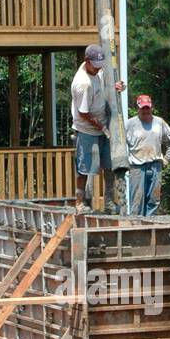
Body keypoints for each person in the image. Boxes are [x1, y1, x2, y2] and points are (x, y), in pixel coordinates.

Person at [71, 43, 125, 213]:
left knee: (108, 165)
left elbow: (104, 84)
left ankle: (110, 202)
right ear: (86, 61)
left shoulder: (98, 70)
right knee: (86, 168)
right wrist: (101, 126)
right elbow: (83, 113)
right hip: (88, 128)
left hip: (103, 125)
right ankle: (81, 202)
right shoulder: (83, 84)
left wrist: (116, 87)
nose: (97, 69)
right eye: (95, 66)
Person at [125, 94, 170, 216]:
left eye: (147, 108)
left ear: (151, 107)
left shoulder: (159, 122)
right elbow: (119, 142)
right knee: (137, 200)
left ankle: (150, 224)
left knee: (154, 199)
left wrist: (167, 158)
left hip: (155, 165)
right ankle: (136, 226)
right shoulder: (129, 124)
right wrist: (123, 161)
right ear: (138, 108)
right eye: (143, 108)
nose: (145, 111)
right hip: (137, 166)